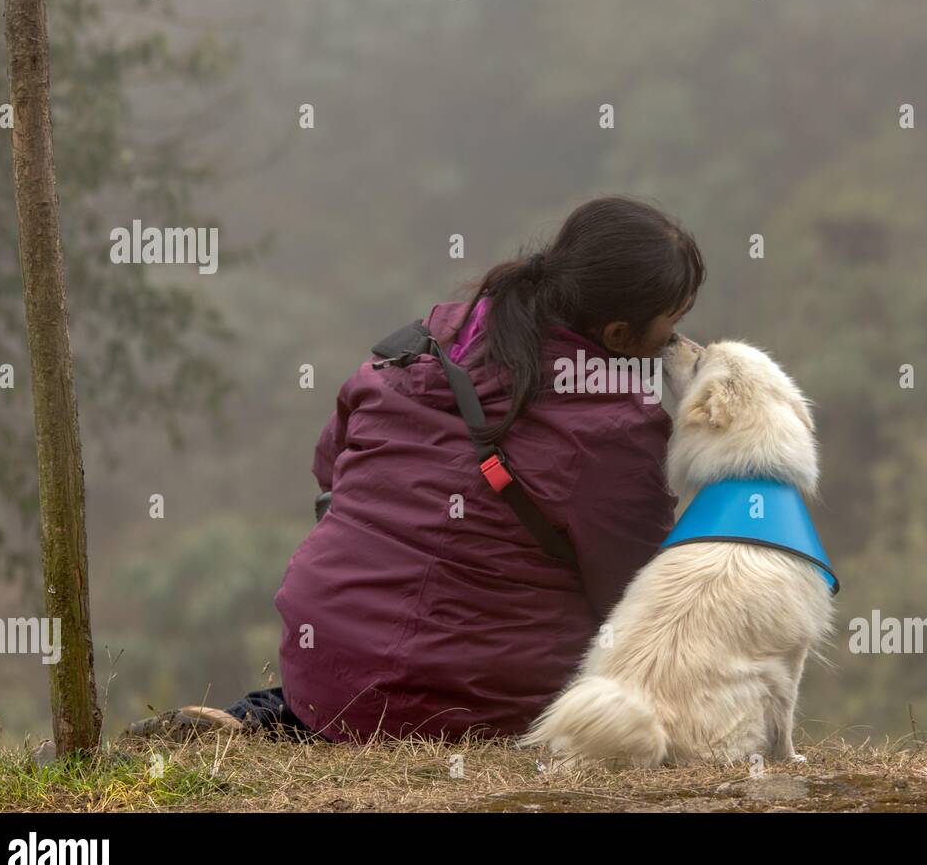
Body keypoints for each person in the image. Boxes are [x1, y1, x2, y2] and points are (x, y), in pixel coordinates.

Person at [125, 195, 705, 744]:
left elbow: (331, 464)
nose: (679, 341)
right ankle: (336, 713)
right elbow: (642, 596)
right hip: (461, 699)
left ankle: (273, 718)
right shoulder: (614, 427)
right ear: (619, 336)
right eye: (671, 324)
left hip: (322, 664)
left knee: (402, 648)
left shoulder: (431, 341)